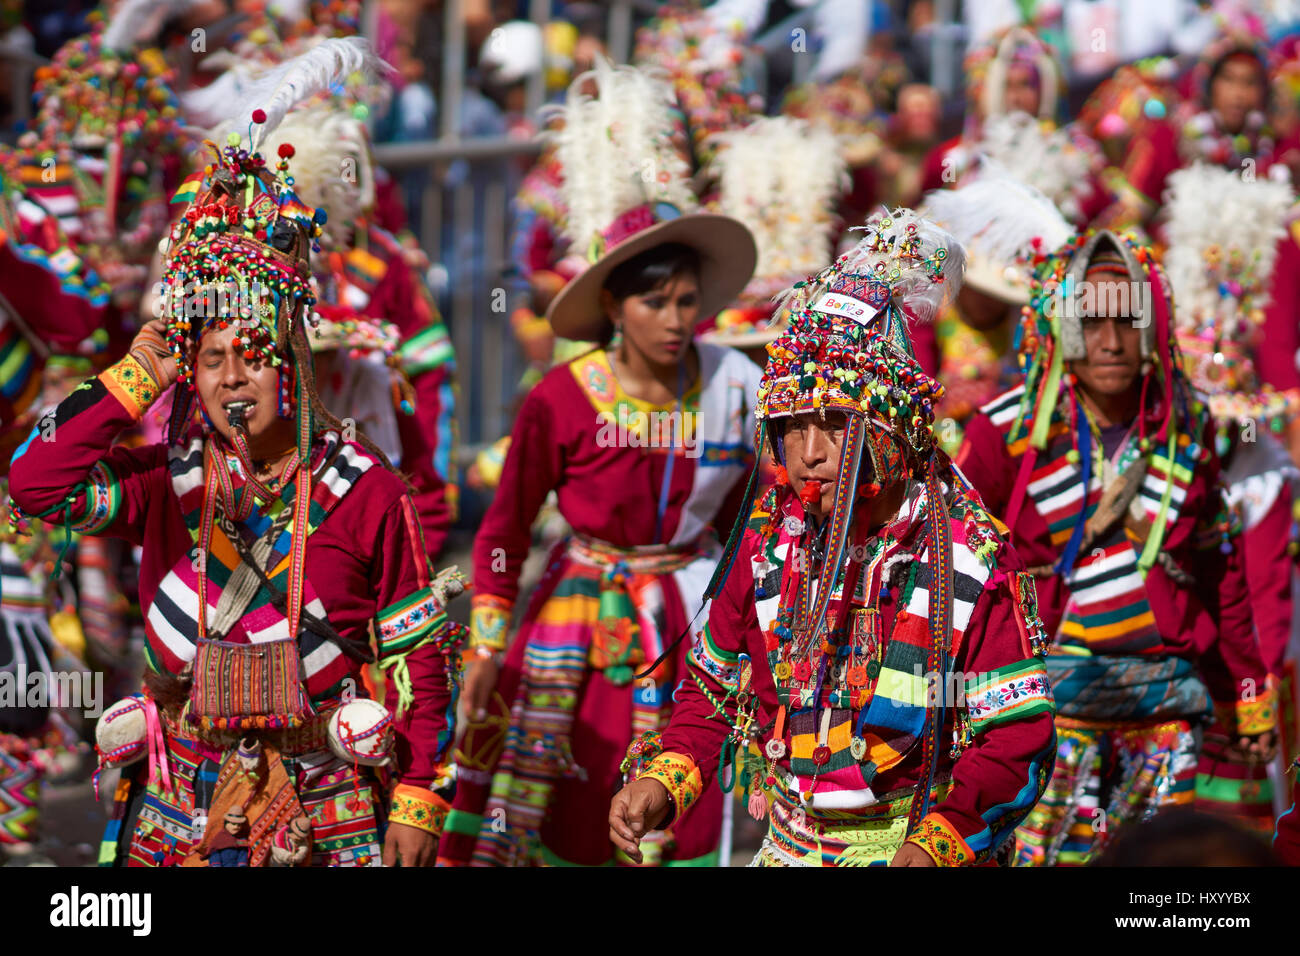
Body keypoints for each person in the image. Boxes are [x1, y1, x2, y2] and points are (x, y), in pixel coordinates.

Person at [7, 104, 464, 868]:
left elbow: (423, 655)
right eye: (211, 358)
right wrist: (136, 376)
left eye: (253, 354)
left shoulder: (367, 490)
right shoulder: (169, 482)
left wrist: (419, 797)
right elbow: (34, 484)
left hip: (326, 799)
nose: (232, 379)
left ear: (292, 362)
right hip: (178, 792)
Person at [610, 208, 1057, 868]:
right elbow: (713, 689)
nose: (811, 453)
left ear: (889, 431)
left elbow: (1018, 736)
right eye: (793, 427)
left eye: (835, 425)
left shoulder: (969, 557)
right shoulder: (770, 543)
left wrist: (938, 845)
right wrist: (662, 781)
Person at [439, 59, 763, 867]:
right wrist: (485, 646)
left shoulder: (737, 386)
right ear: (613, 307)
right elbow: (506, 529)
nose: (675, 319)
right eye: (655, 302)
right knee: (564, 812)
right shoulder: (562, 398)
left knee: (684, 811)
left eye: (688, 301)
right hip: (577, 625)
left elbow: (747, 522)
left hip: (690, 616)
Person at [956, 229, 1276, 866]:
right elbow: (959, 567)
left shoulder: (1188, 434)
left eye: (1127, 322)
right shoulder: (1008, 434)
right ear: (1061, 328)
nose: (1108, 341)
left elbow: (1223, 575)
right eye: (1090, 322)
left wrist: (1247, 696)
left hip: (1163, 715)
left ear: (1152, 329)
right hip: (1047, 716)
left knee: (1155, 883)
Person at [1161, 164, 1297, 833]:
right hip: (1164, 677)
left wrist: (1254, 698)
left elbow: (1266, 599)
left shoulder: (1261, 479)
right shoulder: (1163, 464)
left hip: (1237, 687)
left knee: (1226, 831)